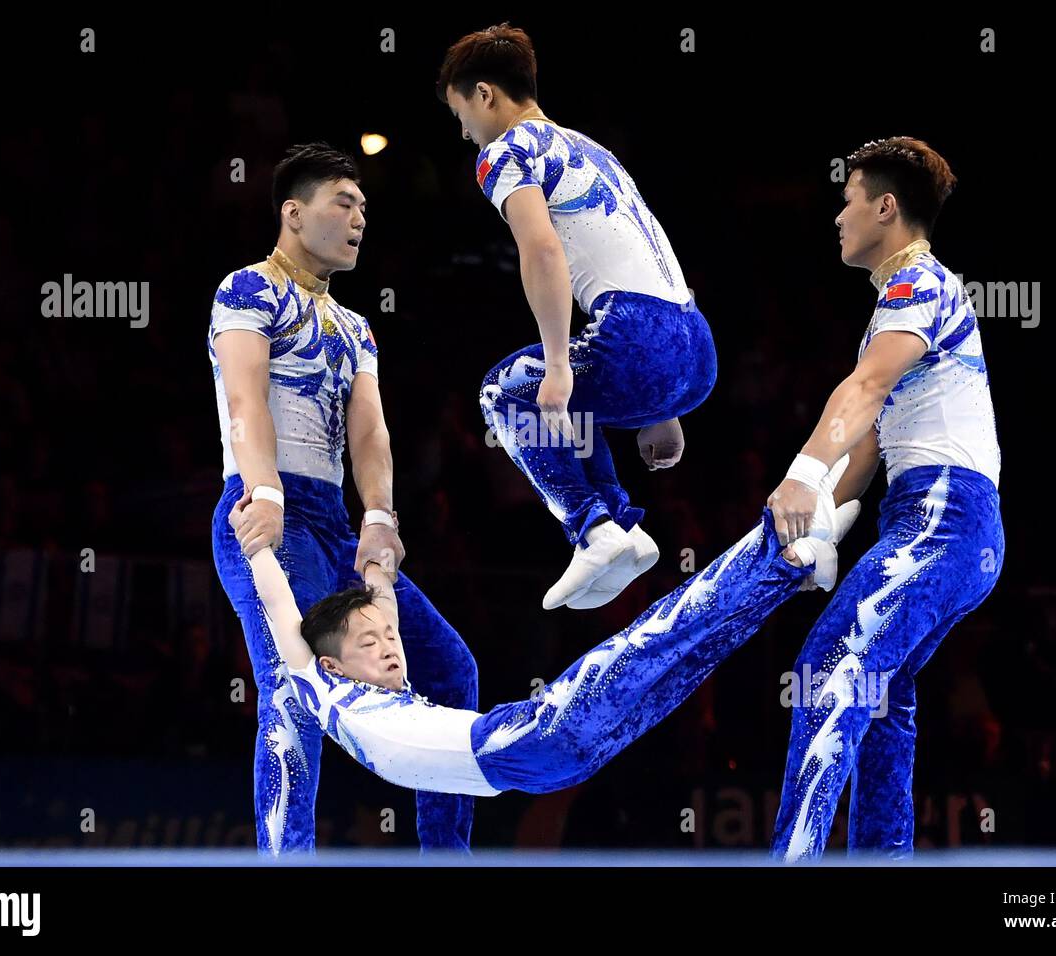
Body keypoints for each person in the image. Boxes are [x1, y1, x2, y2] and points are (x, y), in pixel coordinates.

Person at [227, 460, 859, 800]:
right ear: (332, 665)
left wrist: (378, 529)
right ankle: (783, 543)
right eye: (371, 644)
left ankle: (792, 564)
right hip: (518, 750)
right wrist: (259, 546)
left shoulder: (375, 668)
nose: (390, 644)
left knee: (674, 661)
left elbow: (382, 589)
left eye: (388, 637)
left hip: (532, 754)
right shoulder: (314, 677)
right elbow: (284, 616)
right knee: (659, 644)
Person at [208, 143, 477, 855]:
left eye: (364, 207)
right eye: (344, 203)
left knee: (450, 670)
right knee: (291, 692)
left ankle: (446, 856)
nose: (360, 218)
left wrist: (381, 518)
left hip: (333, 525)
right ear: (293, 213)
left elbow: (370, 433)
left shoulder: (356, 328)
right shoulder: (246, 292)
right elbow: (245, 400)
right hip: (266, 511)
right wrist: (263, 491)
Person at [766, 137, 1005, 861]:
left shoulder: (920, 286)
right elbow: (871, 440)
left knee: (830, 665)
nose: (838, 216)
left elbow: (863, 390)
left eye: (848, 199)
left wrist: (800, 476)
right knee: (883, 699)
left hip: (944, 519)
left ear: (886, 206)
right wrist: (828, 524)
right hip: (949, 529)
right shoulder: (907, 305)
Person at [437, 23, 718, 610]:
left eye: (460, 112)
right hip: (696, 343)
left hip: (642, 340)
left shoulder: (506, 152)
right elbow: (649, 244)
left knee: (504, 392)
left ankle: (589, 529)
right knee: (565, 399)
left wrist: (560, 362)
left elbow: (542, 251)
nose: (463, 132)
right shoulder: (592, 148)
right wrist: (664, 403)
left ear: (485, 94)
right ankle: (619, 529)